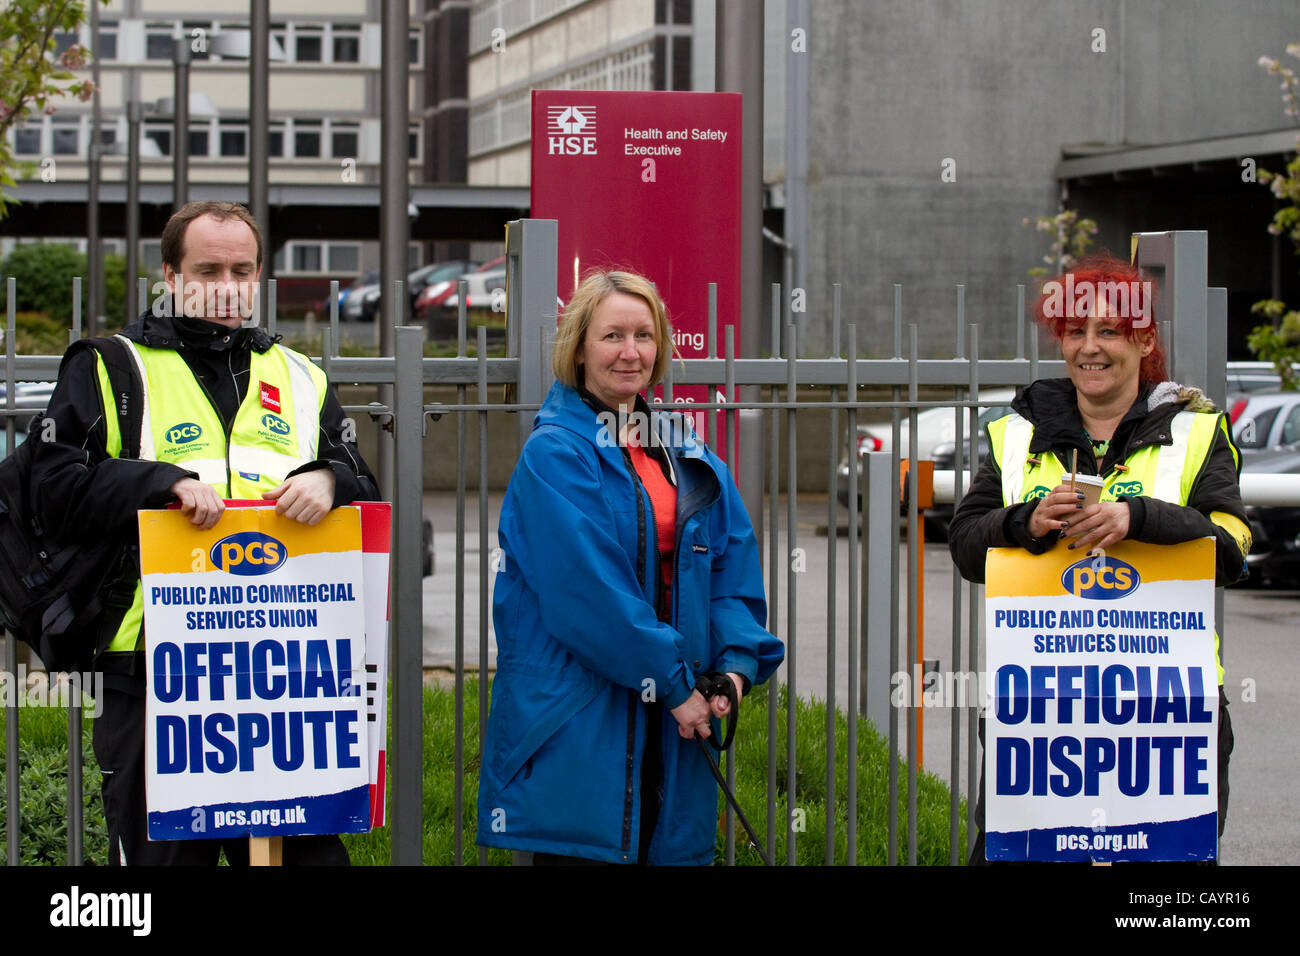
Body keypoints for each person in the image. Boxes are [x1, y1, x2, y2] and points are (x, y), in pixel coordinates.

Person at [31, 200, 379, 865]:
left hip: (284, 679)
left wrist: (331, 480)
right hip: (153, 672)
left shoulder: (300, 375)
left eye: (243, 270)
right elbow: (53, 487)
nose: (227, 286)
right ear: (169, 274)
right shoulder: (110, 366)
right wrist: (158, 482)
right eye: (208, 269)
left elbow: (361, 477)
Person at [949, 254, 1249, 864]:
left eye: (1109, 330)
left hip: (1170, 713)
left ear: (1144, 340)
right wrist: (1024, 522)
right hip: (1041, 711)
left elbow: (1232, 547)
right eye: (1075, 330)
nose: (1090, 347)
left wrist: (1138, 517)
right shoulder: (1015, 433)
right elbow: (965, 548)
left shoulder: (1198, 431)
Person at [477, 270, 784, 865]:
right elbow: (588, 596)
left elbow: (730, 572)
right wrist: (673, 685)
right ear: (580, 347)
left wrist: (734, 672)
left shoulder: (685, 451)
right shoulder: (554, 453)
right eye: (612, 335)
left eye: (644, 335)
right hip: (580, 722)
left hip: (678, 721)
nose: (631, 352)